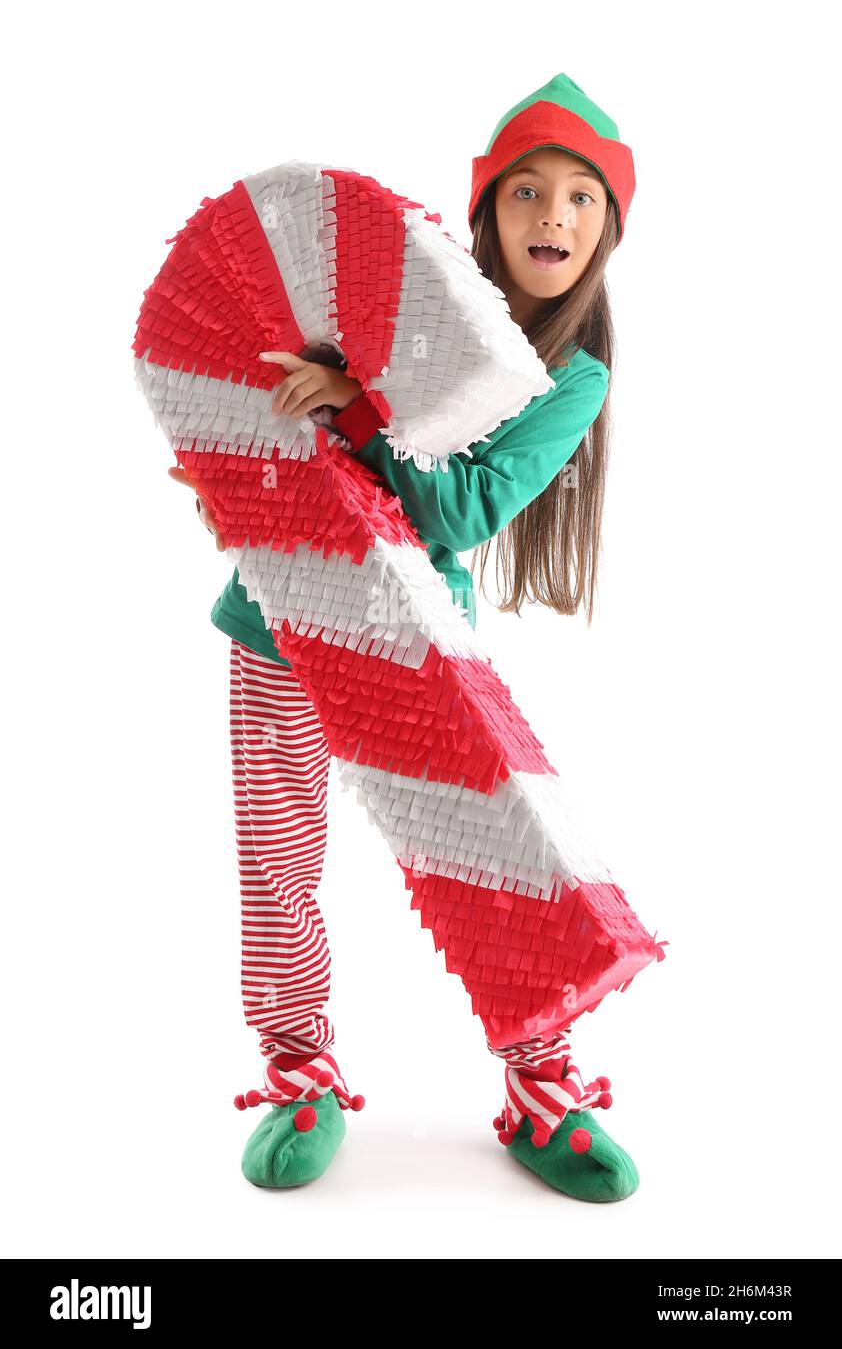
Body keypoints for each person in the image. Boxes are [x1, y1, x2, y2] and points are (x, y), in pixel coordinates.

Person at [170, 73, 640, 1200]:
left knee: (494, 874)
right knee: (277, 868)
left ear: (608, 230)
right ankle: (298, 1073)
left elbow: (460, 507)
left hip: (416, 647)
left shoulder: (569, 380)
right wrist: (228, 466)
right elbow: (262, 404)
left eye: (580, 199)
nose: (551, 218)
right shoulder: (391, 302)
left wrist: (351, 406)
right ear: (485, 214)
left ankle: (540, 1079)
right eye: (525, 192)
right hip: (278, 619)